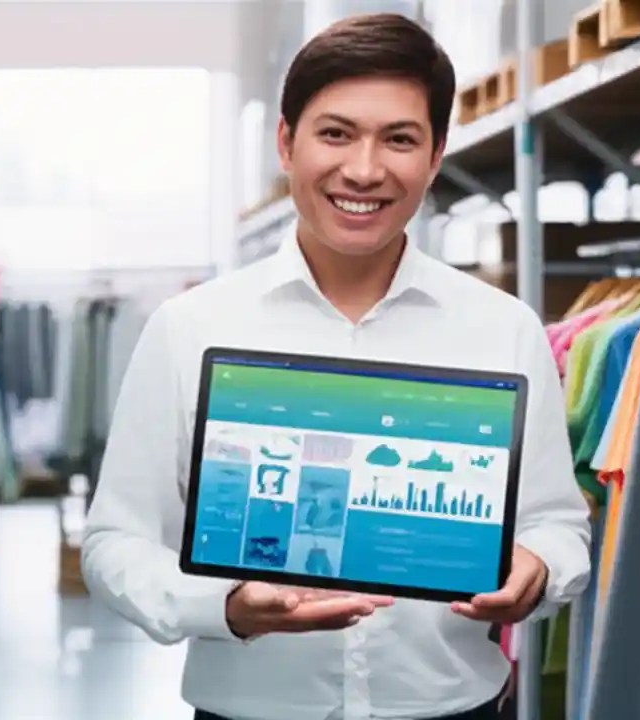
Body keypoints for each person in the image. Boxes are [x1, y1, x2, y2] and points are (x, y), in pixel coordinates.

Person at [80, 13, 591, 720]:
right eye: (336, 133)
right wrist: (226, 605)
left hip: (453, 708)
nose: (364, 169)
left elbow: (558, 525)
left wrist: (538, 572)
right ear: (287, 143)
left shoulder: (504, 328)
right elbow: (114, 544)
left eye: (400, 139)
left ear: (437, 153)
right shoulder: (190, 329)